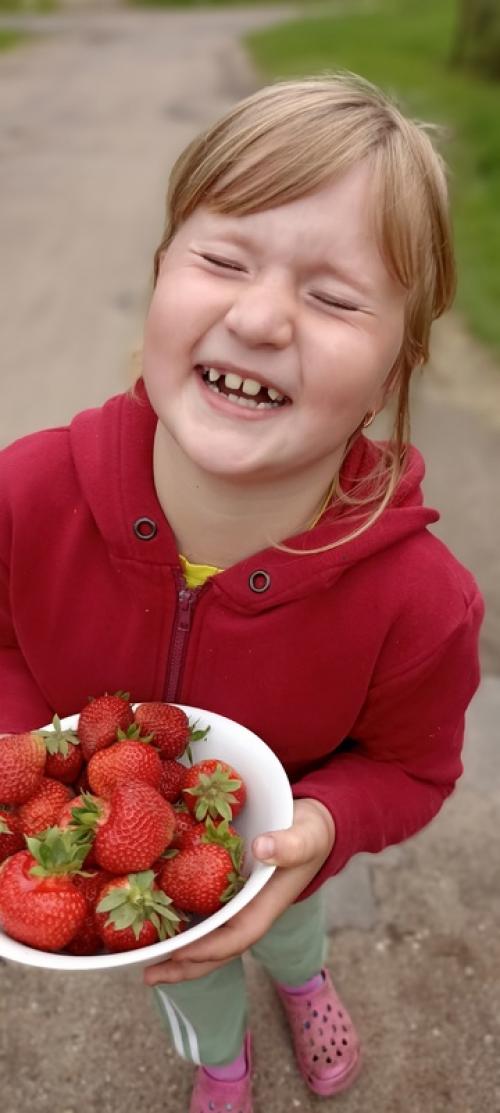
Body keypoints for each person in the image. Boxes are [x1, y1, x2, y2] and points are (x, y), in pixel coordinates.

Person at [0, 72, 484, 1113]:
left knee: (288, 923)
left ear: (401, 356)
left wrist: (318, 828)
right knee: (192, 972)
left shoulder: (417, 601)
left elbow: (410, 769)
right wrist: (20, 768)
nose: (260, 317)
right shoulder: (27, 493)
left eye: (334, 295)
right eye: (222, 259)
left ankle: (307, 979)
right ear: (159, 271)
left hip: (271, 853)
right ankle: (221, 1060)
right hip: (127, 864)